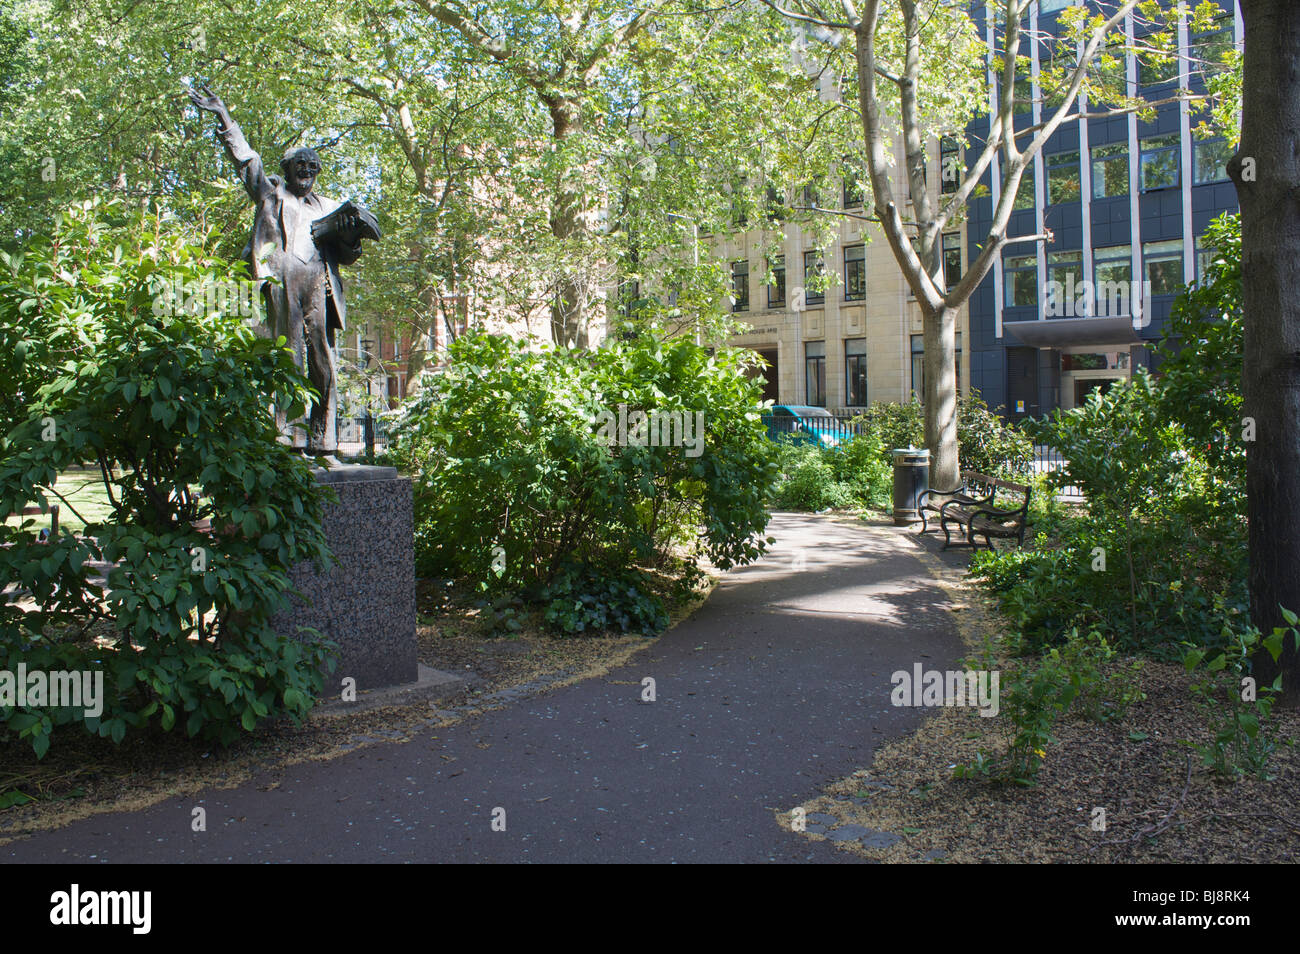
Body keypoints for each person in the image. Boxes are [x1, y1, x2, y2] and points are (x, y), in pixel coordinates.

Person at [188, 83, 376, 457]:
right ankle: (290, 439)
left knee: (323, 361)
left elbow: (347, 255)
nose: (306, 171)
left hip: (318, 285)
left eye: (312, 166)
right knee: (288, 356)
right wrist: (223, 114)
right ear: (287, 170)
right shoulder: (271, 193)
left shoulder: (327, 206)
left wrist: (352, 237)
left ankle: (324, 442)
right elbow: (246, 160)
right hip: (283, 282)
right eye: (299, 166)